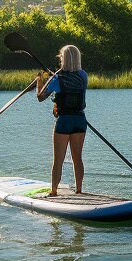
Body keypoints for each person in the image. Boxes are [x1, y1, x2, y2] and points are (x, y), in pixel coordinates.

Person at [36, 44, 87, 197]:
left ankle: (53, 191)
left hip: (64, 121)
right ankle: (79, 190)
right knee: (77, 158)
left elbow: (41, 97)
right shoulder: (84, 75)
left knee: (58, 159)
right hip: (80, 120)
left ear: (63, 59)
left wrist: (39, 81)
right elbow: (70, 85)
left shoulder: (57, 78)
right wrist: (54, 77)